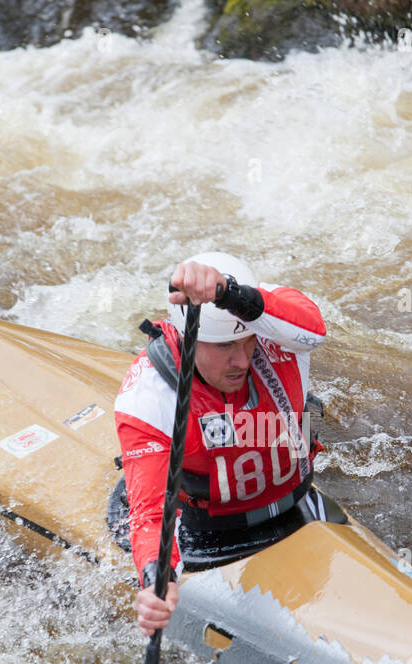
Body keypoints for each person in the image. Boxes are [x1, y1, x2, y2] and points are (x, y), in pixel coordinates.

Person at [113, 252, 335, 637]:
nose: (241, 360)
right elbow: (150, 516)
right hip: (202, 535)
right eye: (222, 347)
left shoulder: (273, 323)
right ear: (186, 339)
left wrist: (230, 295)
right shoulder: (149, 393)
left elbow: (314, 329)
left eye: (246, 341)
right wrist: (156, 579)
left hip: (296, 509)